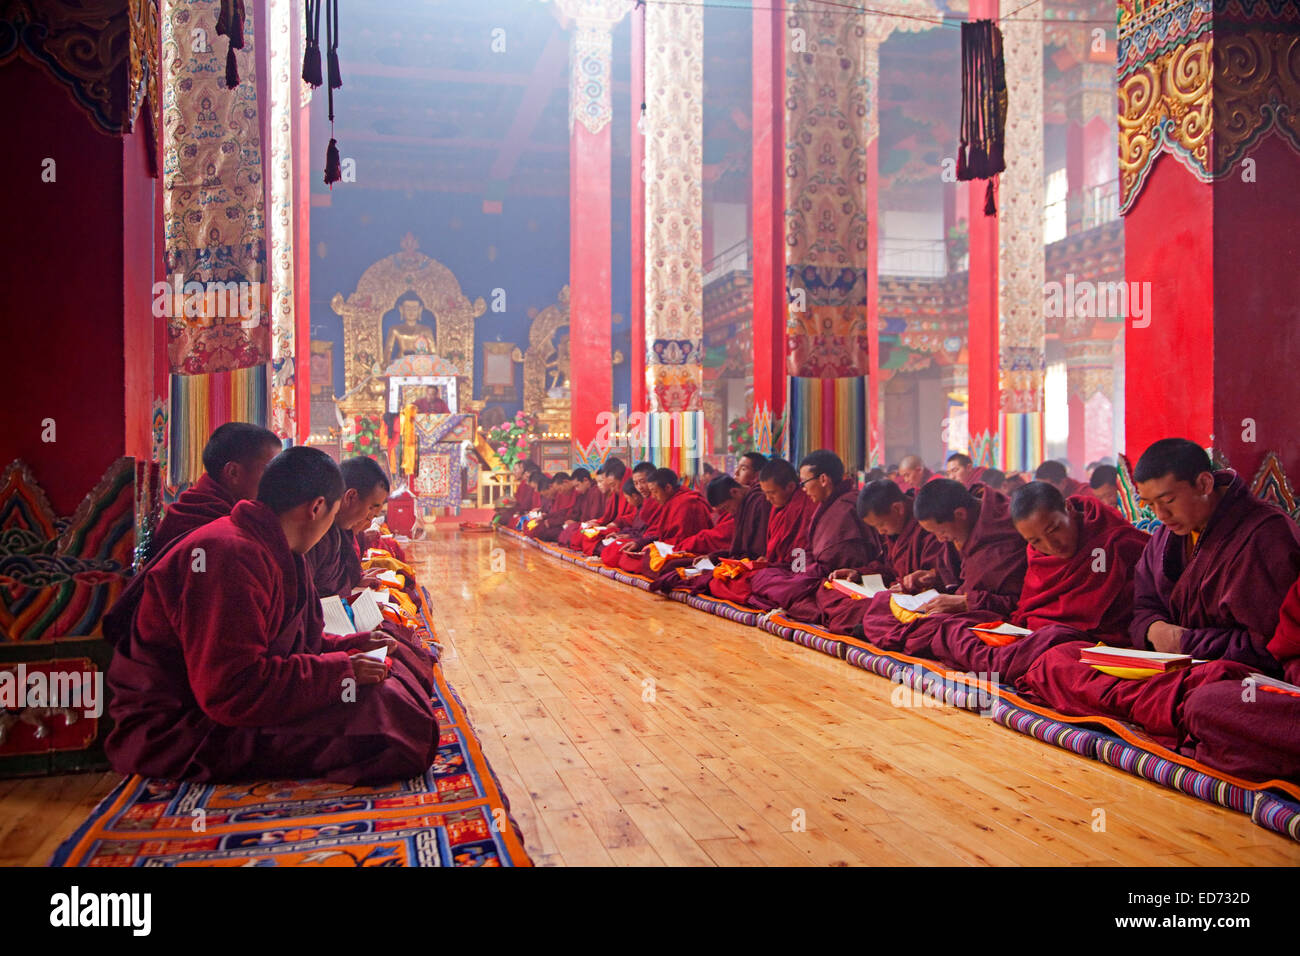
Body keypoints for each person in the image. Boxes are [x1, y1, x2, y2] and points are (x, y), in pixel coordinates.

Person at [105, 447, 441, 784]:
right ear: (317, 508)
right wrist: (342, 670)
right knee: (393, 722)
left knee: (392, 680)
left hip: (237, 699)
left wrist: (355, 643)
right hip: (182, 724)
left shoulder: (273, 544)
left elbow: (291, 640)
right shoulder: (229, 555)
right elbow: (230, 691)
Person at [1018, 438, 1300, 750]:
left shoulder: (1265, 535)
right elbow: (1142, 608)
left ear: (1204, 483)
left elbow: (1270, 649)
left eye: (1167, 500)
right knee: (1057, 660)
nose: (1160, 515)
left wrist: (1185, 642)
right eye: (1150, 505)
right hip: (1165, 670)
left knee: (1209, 704)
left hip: (1223, 677)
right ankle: (1151, 710)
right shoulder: (1168, 535)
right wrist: (1153, 630)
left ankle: (1157, 712)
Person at [922, 481, 1151, 681]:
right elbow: (1028, 608)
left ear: (1068, 509)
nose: (1051, 546)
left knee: (1056, 662)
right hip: (1038, 641)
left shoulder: (1113, 543)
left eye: (1054, 529)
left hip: (1086, 647)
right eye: (1035, 540)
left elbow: (1127, 613)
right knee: (951, 629)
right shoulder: (1036, 553)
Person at [850, 478, 1028, 653]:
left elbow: (1017, 603)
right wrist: (933, 578)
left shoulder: (1008, 530)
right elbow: (955, 578)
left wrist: (966, 603)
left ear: (960, 514)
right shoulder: (962, 523)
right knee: (883, 600)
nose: (940, 539)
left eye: (940, 532)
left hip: (989, 615)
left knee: (946, 631)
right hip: (961, 604)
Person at [748, 450, 881, 621]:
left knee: (794, 592)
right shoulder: (823, 505)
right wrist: (797, 572)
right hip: (809, 571)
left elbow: (839, 561)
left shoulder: (845, 507)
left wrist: (799, 573)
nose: (803, 488)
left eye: (804, 482)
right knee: (763, 578)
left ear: (823, 480)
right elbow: (807, 549)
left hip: (831, 579)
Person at [817, 479, 947, 634]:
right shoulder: (896, 527)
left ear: (897, 508)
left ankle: (871, 627)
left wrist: (918, 581)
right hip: (892, 592)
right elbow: (889, 566)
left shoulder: (928, 524)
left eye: (881, 525)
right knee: (827, 588)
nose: (880, 532)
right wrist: (859, 574)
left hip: (914, 601)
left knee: (869, 607)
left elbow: (942, 578)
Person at [151, 422, 281, 558]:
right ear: (233, 472)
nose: (276, 482)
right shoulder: (197, 521)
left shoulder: (233, 514)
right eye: (269, 471)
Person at [708, 457, 815, 606]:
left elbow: (801, 554)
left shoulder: (804, 506)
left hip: (796, 572)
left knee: (763, 583)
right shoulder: (778, 506)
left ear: (790, 487)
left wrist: (782, 569)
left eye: (771, 493)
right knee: (723, 580)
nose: (767, 499)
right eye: (765, 493)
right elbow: (772, 548)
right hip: (778, 570)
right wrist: (768, 561)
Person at [306, 456, 391, 600]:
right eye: (370, 509)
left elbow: (333, 584)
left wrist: (354, 582)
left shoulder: (339, 531)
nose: (369, 521)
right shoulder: (317, 533)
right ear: (351, 496)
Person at [617, 468, 712, 575]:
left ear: (668, 488)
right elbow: (662, 533)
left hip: (690, 552)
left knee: (657, 565)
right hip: (670, 547)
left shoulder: (686, 503)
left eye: (655, 491)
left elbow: (683, 540)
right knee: (630, 557)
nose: (653, 496)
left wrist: (653, 545)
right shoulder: (670, 501)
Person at [555, 468, 605, 547]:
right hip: (584, 525)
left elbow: (594, 517)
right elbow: (577, 512)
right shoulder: (583, 494)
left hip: (593, 527)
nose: (576, 490)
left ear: (585, 480)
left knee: (575, 533)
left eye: (577, 486)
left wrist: (579, 524)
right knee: (570, 530)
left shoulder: (595, 492)